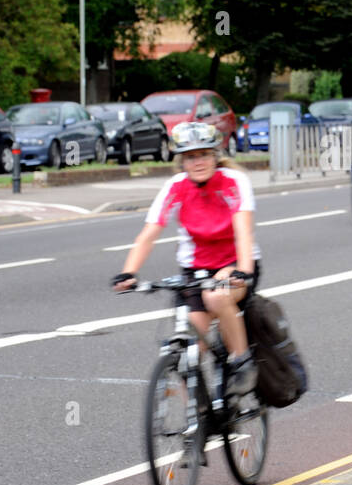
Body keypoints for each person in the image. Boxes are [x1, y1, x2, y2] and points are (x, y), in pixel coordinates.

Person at [111, 121, 260, 405]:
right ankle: (199, 419)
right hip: (195, 269)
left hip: (234, 263)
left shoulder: (233, 181)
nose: (198, 161)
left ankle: (242, 363)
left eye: (204, 154)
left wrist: (244, 271)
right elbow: (150, 232)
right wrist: (128, 272)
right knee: (194, 344)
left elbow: (243, 231)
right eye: (190, 156)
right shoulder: (176, 187)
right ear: (181, 160)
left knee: (216, 297)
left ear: (216, 155)